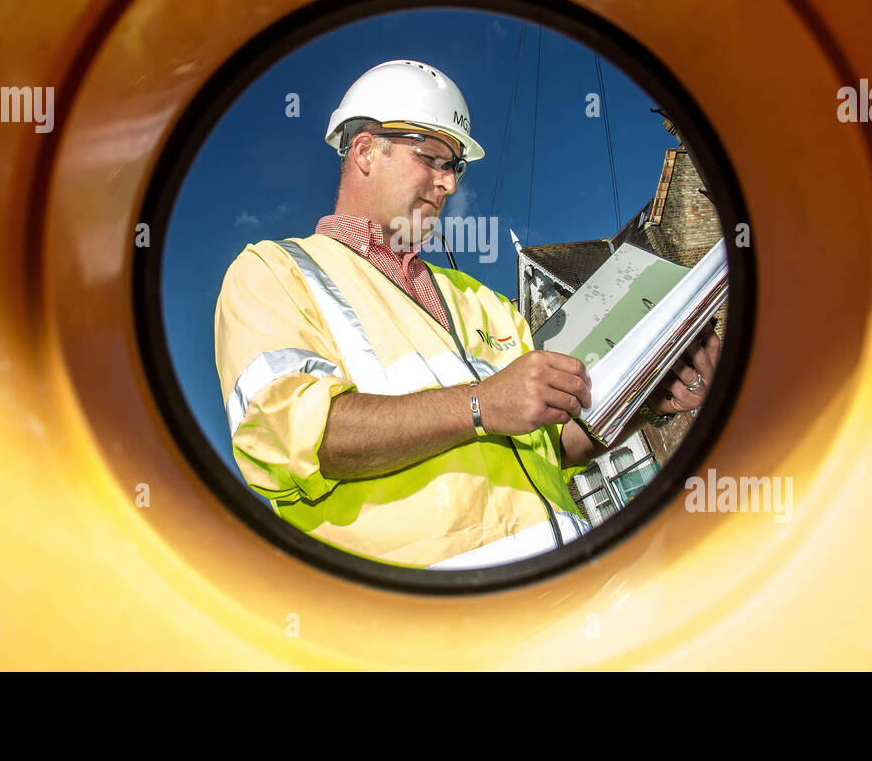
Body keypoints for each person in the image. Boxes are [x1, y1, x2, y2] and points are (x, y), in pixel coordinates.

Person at [213, 58, 719, 569]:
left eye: (455, 167)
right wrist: (479, 405)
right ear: (365, 150)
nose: (448, 184)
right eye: (432, 158)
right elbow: (294, 438)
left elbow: (553, 446)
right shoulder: (275, 273)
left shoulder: (482, 301)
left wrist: (649, 396)